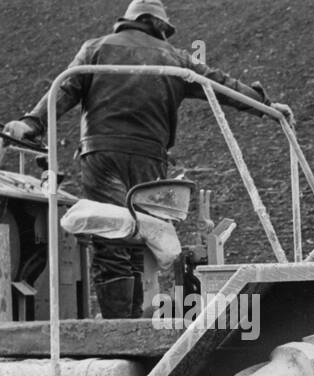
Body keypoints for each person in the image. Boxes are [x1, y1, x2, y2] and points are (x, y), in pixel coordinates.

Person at [2, 0, 289, 318]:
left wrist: (32, 123)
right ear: (159, 25)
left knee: (110, 238)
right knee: (139, 234)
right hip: (150, 159)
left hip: (101, 155)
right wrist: (264, 104)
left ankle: (119, 325)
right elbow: (221, 86)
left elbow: (64, 89)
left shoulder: (95, 48)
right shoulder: (175, 59)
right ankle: (130, 321)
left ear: (129, 21)